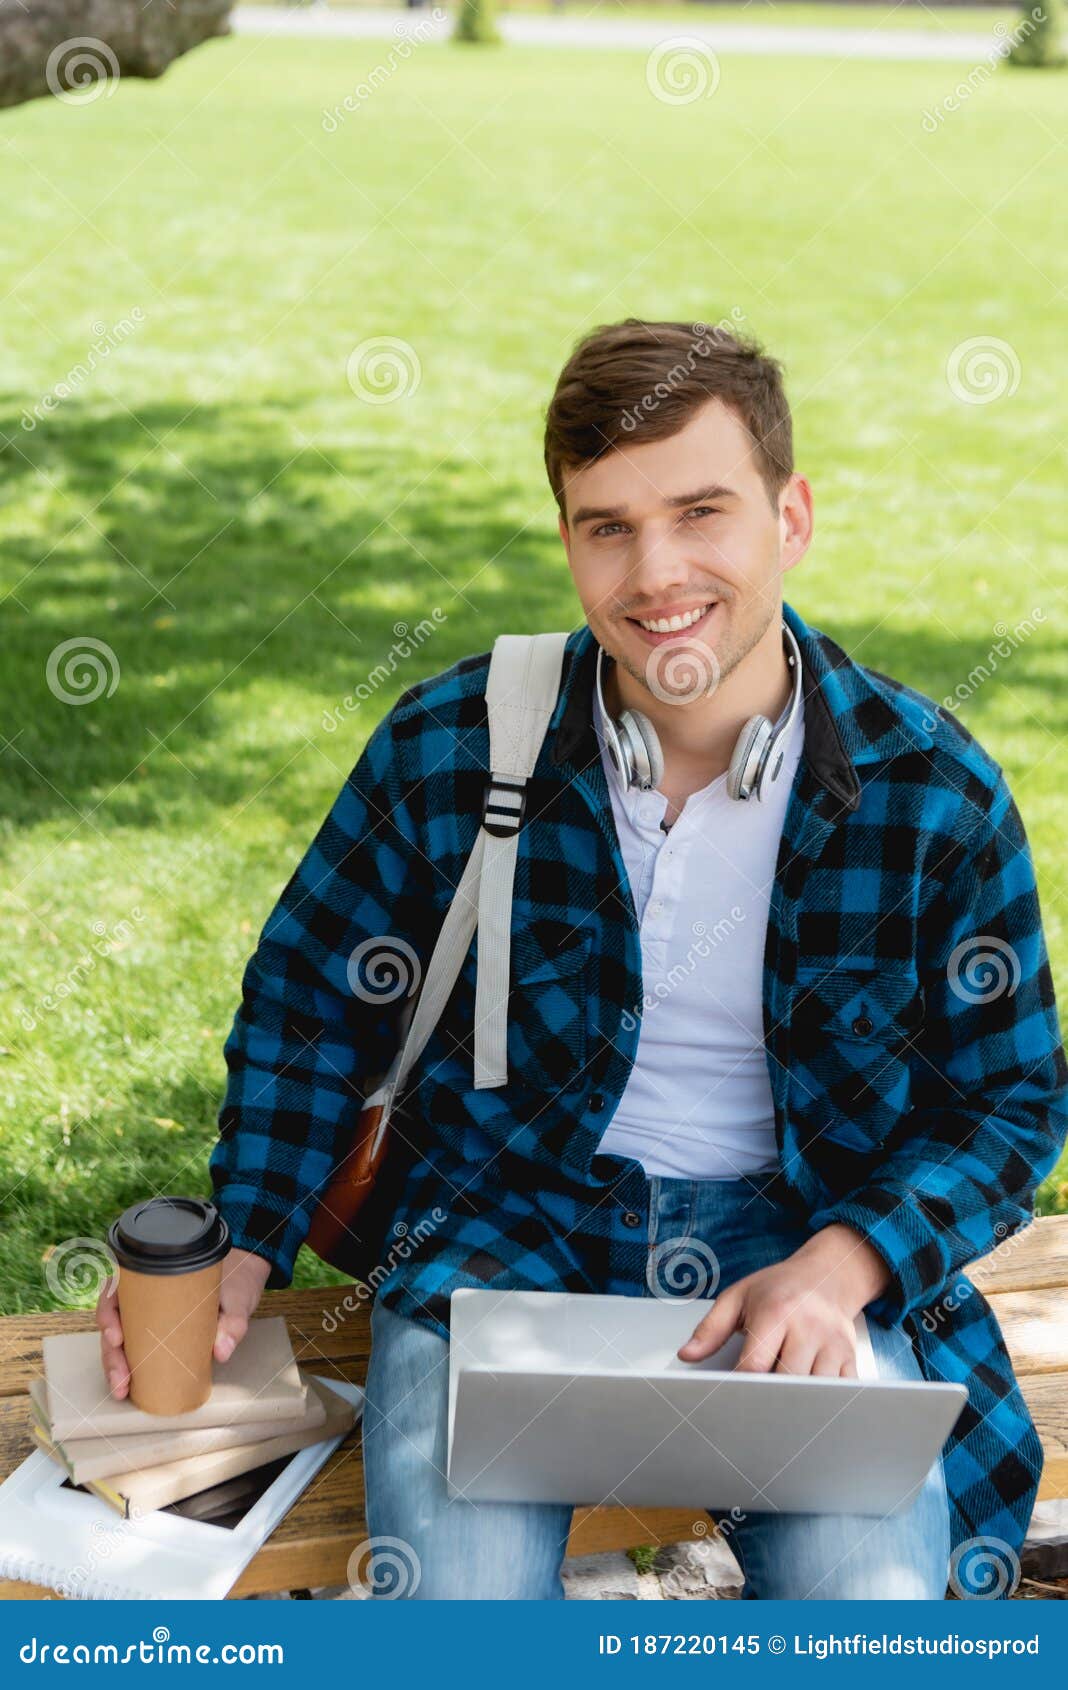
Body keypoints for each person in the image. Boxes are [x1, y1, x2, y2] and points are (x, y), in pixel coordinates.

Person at [97, 319, 1067, 1600]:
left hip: (798, 1252)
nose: (654, 572)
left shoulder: (933, 787)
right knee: (463, 1627)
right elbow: (309, 1003)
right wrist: (249, 1239)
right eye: (606, 525)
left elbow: (1009, 1099)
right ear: (566, 539)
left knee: (868, 1618)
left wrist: (851, 1261)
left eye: (701, 511)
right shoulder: (455, 741)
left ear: (793, 515)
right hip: (499, 1238)